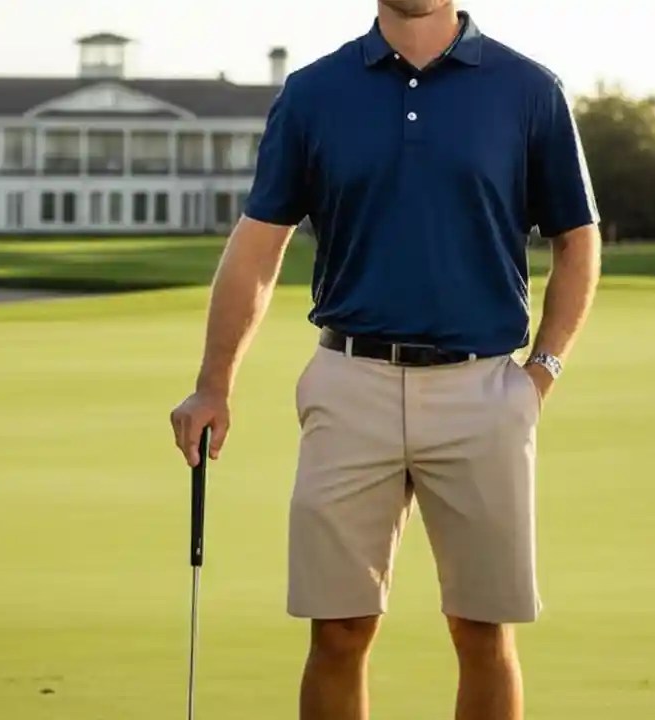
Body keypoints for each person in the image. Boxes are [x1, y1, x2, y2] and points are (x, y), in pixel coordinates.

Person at [169, 1, 601, 718]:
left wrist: (542, 371)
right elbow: (258, 246)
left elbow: (577, 239)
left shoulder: (529, 90)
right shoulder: (314, 92)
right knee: (338, 630)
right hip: (350, 384)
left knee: (482, 630)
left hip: (482, 388)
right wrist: (212, 384)